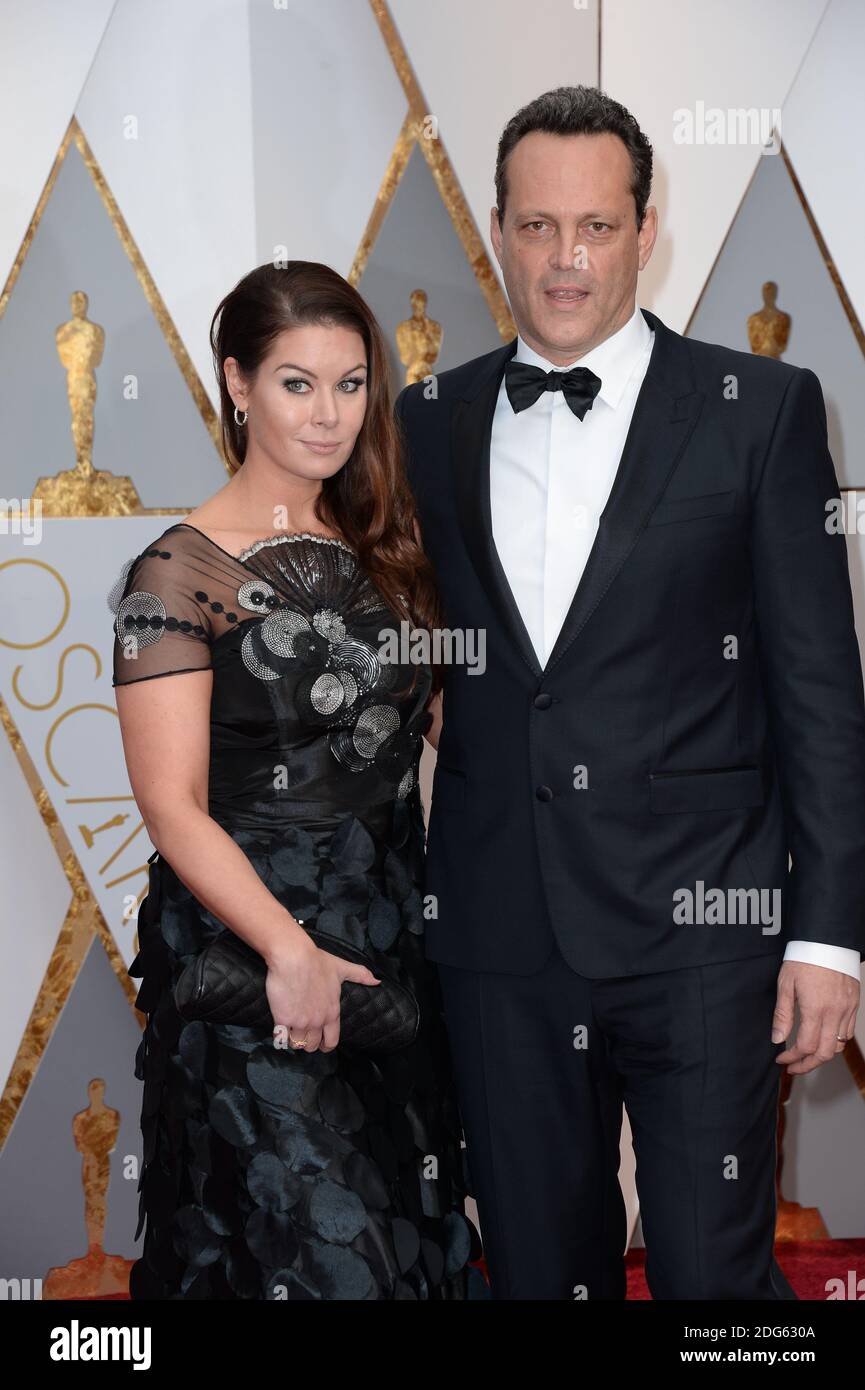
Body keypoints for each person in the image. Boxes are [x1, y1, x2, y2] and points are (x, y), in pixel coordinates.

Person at [396, 85, 865, 1300]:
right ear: (498, 228)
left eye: (596, 227)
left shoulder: (759, 410)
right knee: (541, 1274)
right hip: (500, 932)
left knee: (716, 1283)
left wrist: (826, 937)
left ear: (645, 228)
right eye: (538, 226)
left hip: (705, 933)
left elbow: (819, 690)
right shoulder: (426, 421)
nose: (566, 259)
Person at [110, 260, 486, 1300]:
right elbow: (169, 802)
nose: (329, 415)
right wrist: (287, 950)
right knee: (314, 1256)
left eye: (351, 383)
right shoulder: (173, 576)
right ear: (236, 382)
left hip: (393, 965)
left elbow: (454, 737)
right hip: (254, 967)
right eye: (296, 383)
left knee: (406, 1249)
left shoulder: (390, 551)